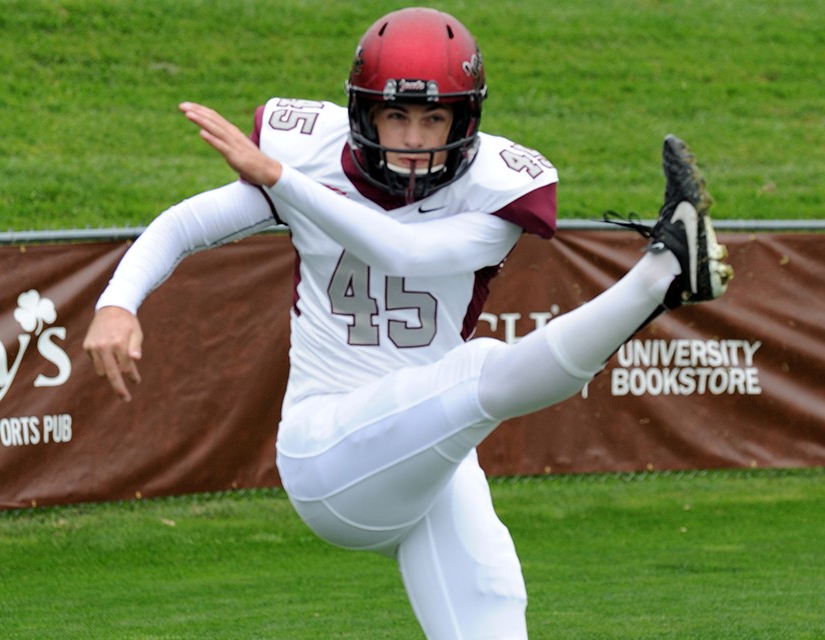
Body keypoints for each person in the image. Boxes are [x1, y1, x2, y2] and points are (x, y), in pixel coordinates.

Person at [84, 7, 732, 638]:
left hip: (430, 456)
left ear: (466, 118)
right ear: (363, 113)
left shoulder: (493, 183)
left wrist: (282, 181)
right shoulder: (310, 153)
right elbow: (185, 223)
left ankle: (667, 271)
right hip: (329, 451)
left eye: (433, 117)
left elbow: (409, 252)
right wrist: (118, 302)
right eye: (396, 115)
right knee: (476, 370)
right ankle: (662, 275)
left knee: (494, 606)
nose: (416, 139)